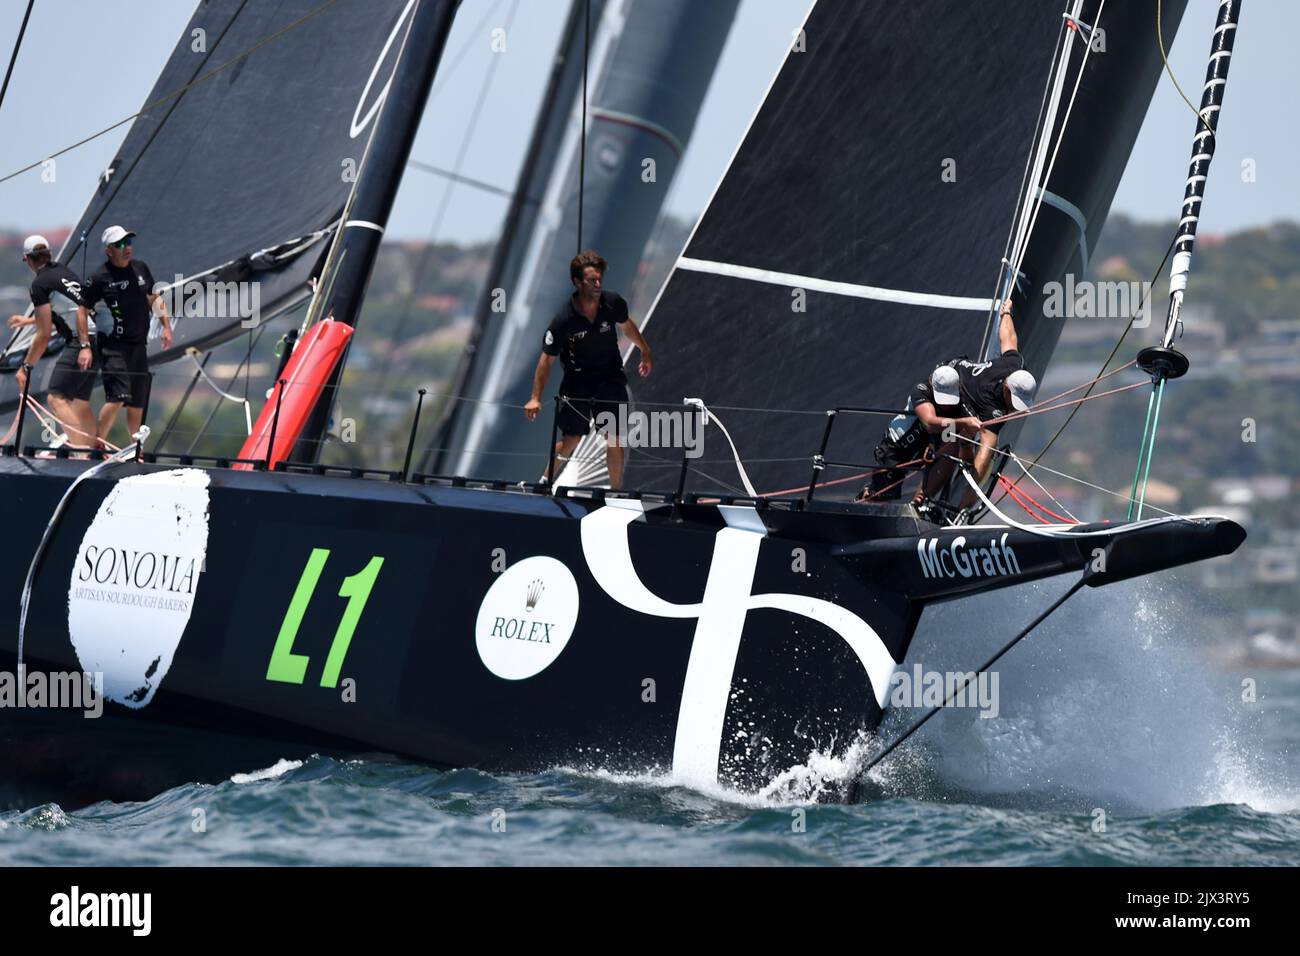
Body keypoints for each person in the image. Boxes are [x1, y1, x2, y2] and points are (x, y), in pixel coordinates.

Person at [523, 250, 653, 489]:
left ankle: (616, 494)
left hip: (610, 379)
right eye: (591, 280)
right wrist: (535, 398)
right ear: (577, 282)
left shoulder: (612, 303)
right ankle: (543, 482)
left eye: (599, 279)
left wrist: (645, 350)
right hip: (577, 383)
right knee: (572, 439)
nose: (597, 284)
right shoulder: (563, 320)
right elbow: (546, 361)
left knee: (614, 438)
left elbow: (626, 326)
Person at [76, 226, 173, 442]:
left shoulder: (141, 268)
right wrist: (84, 347)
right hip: (113, 346)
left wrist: (166, 326)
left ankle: (135, 448)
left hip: (139, 345)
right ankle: (98, 443)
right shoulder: (100, 277)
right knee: (118, 397)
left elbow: (153, 298)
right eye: (120, 245)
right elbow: (81, 311)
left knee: (137, 401)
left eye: (128, 242)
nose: (126, 248)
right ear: (109, 250)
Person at [8, 235, 100, 449]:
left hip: (81, 341)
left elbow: (44, 335)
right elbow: (66, 309)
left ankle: (82, 454)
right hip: (98, 339)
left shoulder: (39, 283)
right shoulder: (62, 271)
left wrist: (25, 367)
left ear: (28, 260)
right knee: (80, 402)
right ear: (49, 255)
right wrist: (29, 320)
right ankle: (93, 451)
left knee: (56, 398)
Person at [950, 298, 1037, 509]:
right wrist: (968, 499)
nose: (1017, 408)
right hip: (952, 385)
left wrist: (1006, 313)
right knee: (959, 440)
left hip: (962, 370)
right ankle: (944, 498)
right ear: (1007, 389)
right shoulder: (993, 408)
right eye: (1015, 402)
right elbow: (987, 449)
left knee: (968, 441)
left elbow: (1008, 339)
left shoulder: (1015, 365)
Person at [858, 364, 982, 507]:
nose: (946, 405)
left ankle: (918, 505)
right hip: (897, 448)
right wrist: (963, 422)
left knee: (950, 450)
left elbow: (964, 433)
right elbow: (929, 424)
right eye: (943, 397)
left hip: (927, 449)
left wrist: (968, 439)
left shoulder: (960, 401)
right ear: (931, 383)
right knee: (881, 496)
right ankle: (860, 503)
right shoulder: (921, 390)